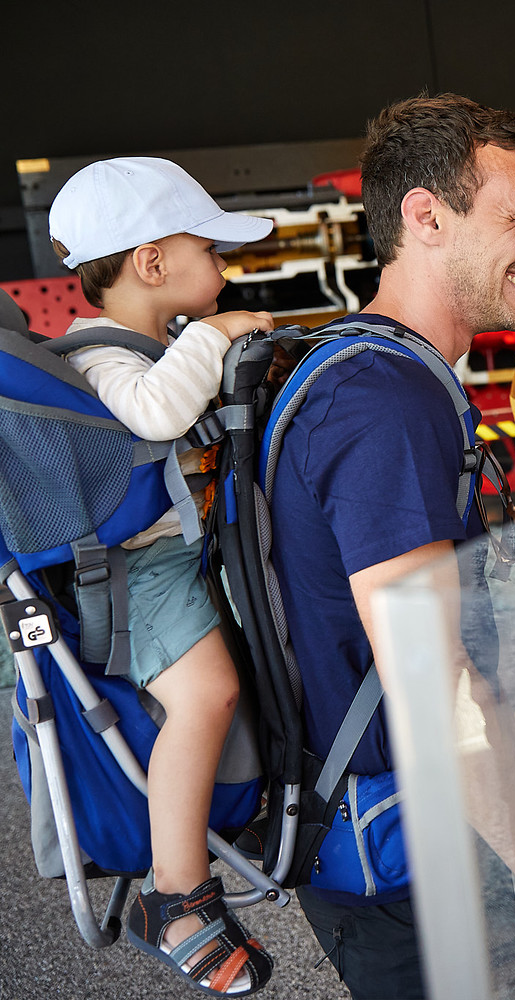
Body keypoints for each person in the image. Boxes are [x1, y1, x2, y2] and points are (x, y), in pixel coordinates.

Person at [266, 93, 515, 1000]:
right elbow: (430, 678)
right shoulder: (383, 404)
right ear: (427, 216)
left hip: (420, 835)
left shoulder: (364, 371)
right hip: (410, 863)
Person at [47, 156, 277, 997]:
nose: (223, 267)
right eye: (210, 246)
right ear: (151, 262)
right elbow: (153, 414)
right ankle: (175, 896)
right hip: (141, 574)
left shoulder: (153, 346)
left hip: (182, 556)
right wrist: (217, 336)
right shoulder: (99, 360)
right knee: (206, 694)